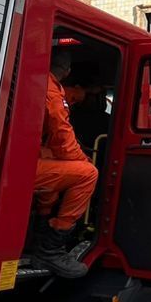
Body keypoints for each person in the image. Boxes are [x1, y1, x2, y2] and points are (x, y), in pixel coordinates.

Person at [29, 48, 98, 279]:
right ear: (67, 71)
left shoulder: (39, 81)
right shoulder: (52, 92)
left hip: (21, 157)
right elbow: (62, 137)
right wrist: (83, 159)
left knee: (53, 162)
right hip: (20, 167)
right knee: (87, 173)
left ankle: (38, 230)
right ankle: (51, 248)